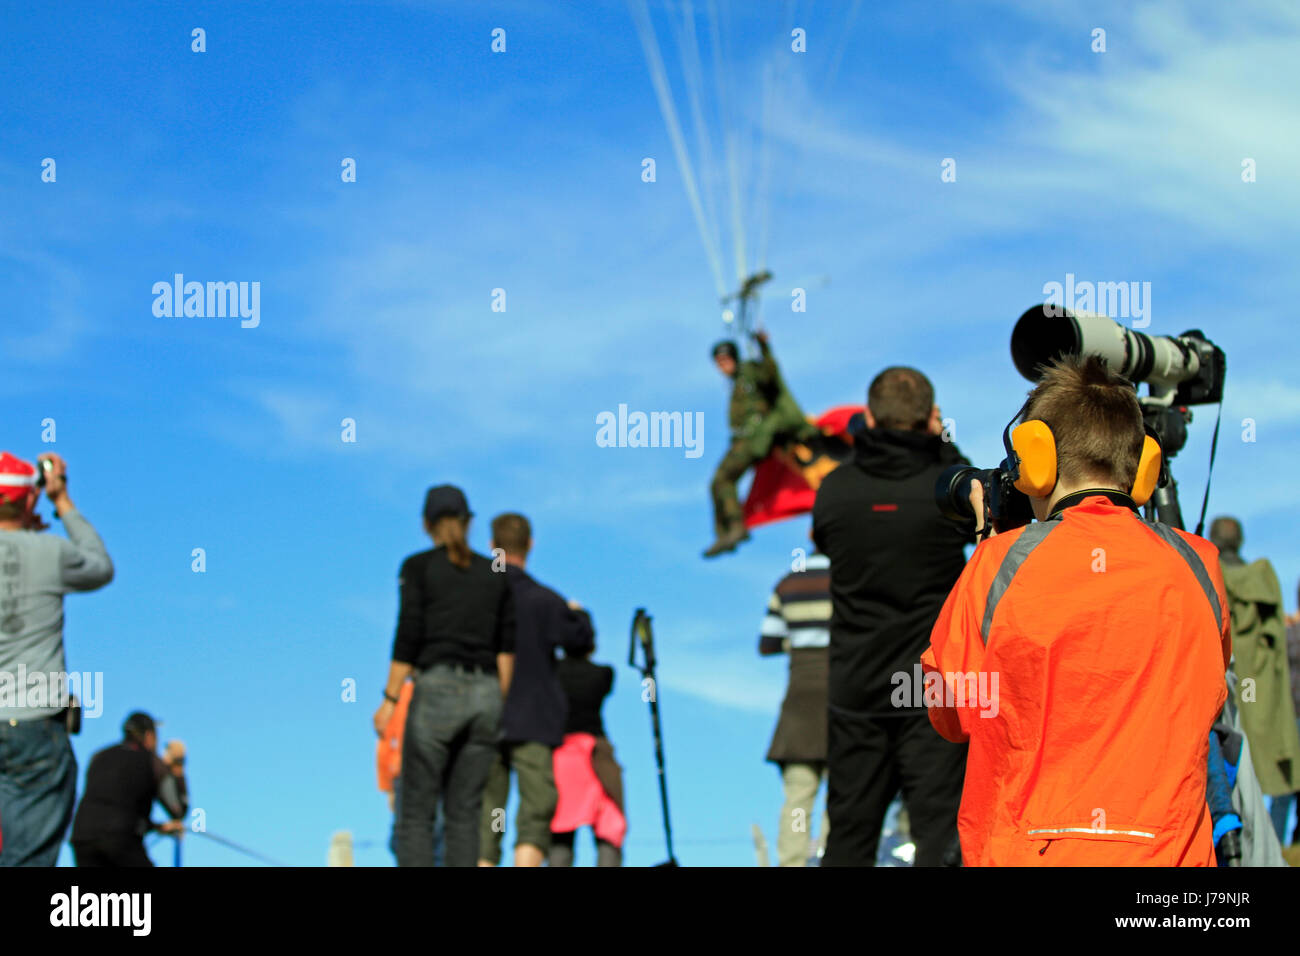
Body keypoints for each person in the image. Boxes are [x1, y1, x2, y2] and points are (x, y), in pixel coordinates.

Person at [923, 355, 1231, 865]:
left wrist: (985, 544)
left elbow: (951, 712)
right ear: (1143, 465)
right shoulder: (1200, 566)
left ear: (1036, 460)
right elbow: (1206, 694)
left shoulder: (999, 566)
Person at [811, 367, 971, 867]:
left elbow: (823, 539)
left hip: (856, 687)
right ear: (929, 418)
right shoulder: (945, 488)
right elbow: (986, 503)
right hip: (930, 686)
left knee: (850, 835)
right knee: (941, 835)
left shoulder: (836, 491)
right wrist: (942, 445)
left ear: (870, 417)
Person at [373, 484, 515, 867]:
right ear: (469, 523)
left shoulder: (417, 567)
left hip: (436, 690)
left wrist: (388, 701)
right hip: (486, 697)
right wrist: (500, 704)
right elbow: (506, 647)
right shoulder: (496, 573)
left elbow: (408, 634)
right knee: (464, 815)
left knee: (416, 814)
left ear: (426, 524)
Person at [0, 451, 113, 866]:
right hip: (34, 727)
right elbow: (100, 566)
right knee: (27, 857)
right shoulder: (51, 552)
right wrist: (61, 499)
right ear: (29, 500)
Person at [478, 513, 593, 867]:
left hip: (484, 713)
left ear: (491, 546)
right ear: (530, 544)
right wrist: (579, 614)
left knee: (488, 810)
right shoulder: (545, 600)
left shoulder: (478, 595)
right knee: (535, 808)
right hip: (533, 717)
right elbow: (581, 642)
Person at [1208, 516, 1300, 815]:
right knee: (1273, 760)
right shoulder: (1263, 581)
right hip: (1262, 687)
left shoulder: (1209, 577)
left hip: (1225, 685)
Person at [705, 331, 819, 558]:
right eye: (719, 362)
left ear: (735, 358)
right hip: (745, 439)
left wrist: (764, 347)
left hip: (756, 438)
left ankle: (734, 529)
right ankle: (726, 533)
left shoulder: (749, 372)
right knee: (718, 483)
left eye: (726, 360)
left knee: (721, 480)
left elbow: (771, 375)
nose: (723, 366)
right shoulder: (737, 383)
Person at [759, 538, 831, 866]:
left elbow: (768, 643)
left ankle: (792, 861)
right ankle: (834, 857)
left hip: (800, 699)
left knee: (798, 799)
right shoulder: (850, 578)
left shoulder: (788, 582)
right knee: (843, 794)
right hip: (841, 697)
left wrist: (799, 643)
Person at [69, 712, 187, 866]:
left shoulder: (99, 756)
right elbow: (178, 809)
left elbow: (110, 806)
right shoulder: (151, 761)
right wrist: (177, 767)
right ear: (149, 736)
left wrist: (156, 827)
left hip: (82, 838)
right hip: (121, 840)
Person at [550, 636, 625, 867]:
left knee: (560, 836)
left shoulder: (553, 673)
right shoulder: (604, 673)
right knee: (608, 828)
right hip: (597, 755)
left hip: (561, 756)